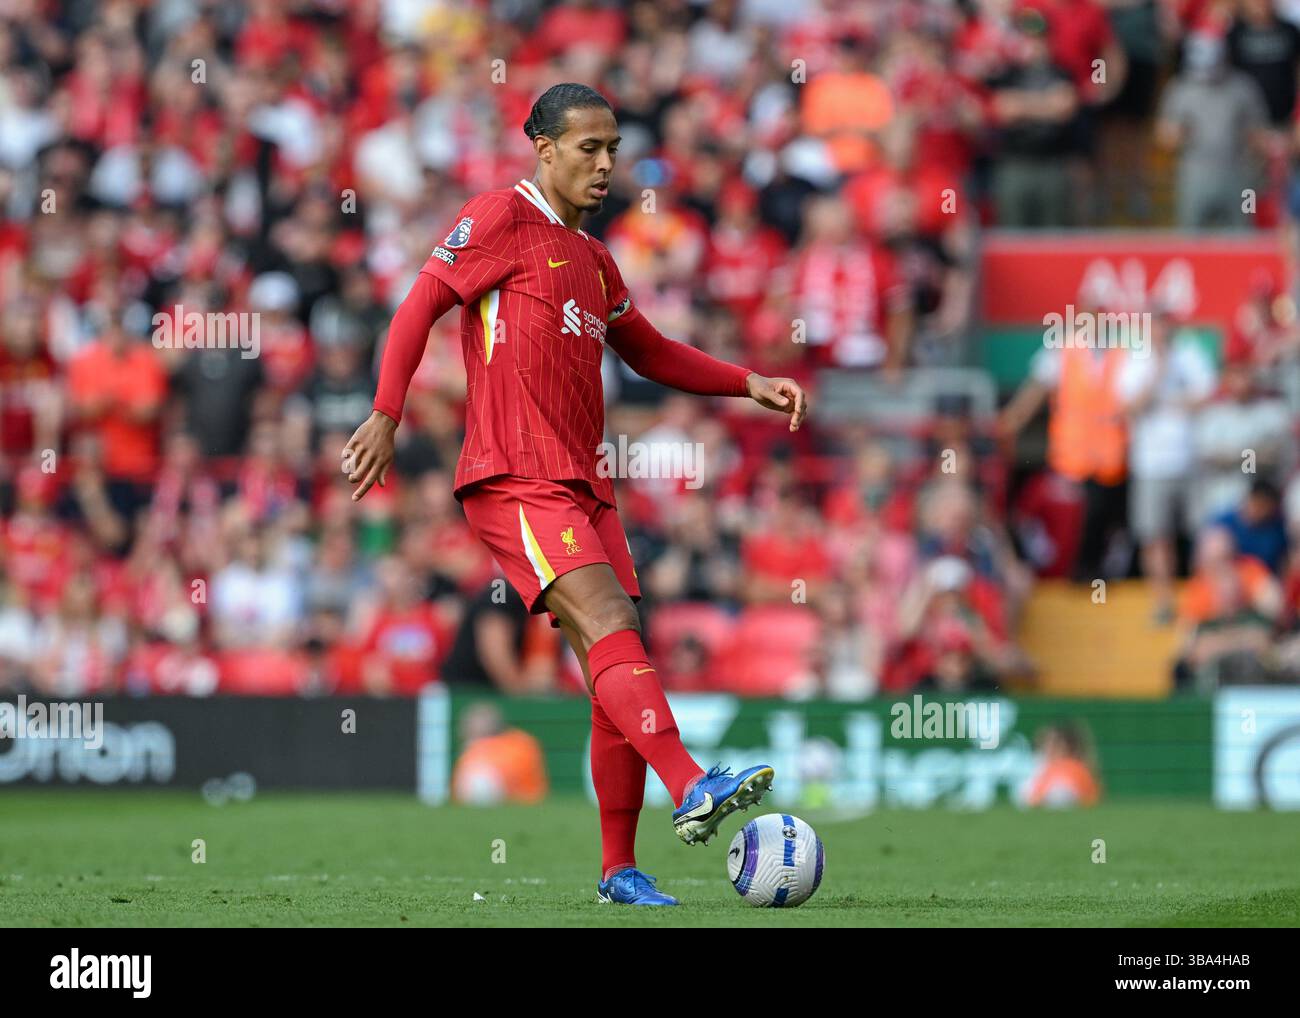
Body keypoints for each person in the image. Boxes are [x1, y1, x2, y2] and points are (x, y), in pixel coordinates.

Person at [343, 84, 808, 907]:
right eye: (587, 148)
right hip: (513, 472)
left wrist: (749, 383)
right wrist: (386, 412)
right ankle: (692, 783)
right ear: (543, 147)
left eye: (613, 150)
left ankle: (618, 871)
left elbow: (652, 350)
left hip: (585, 481)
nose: (603, 165)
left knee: (614, 664)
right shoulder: (497, 219)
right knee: (611, 622)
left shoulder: (594, 260)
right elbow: (417, 306)